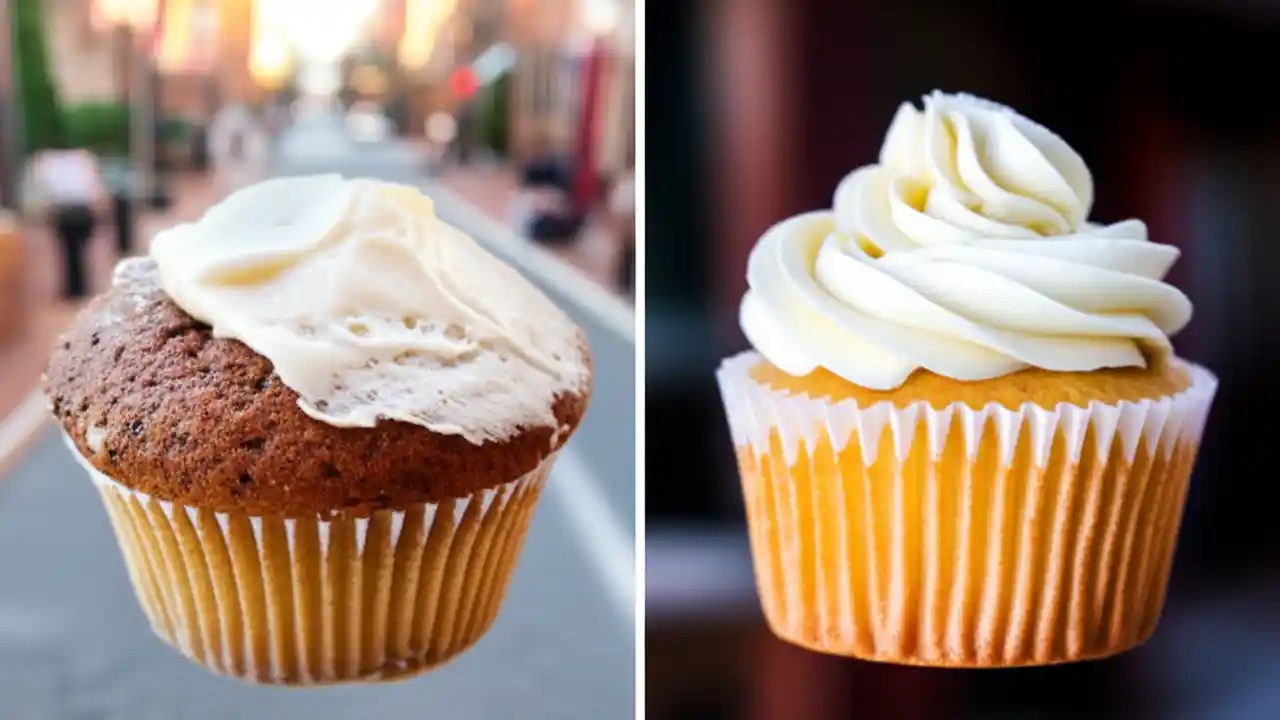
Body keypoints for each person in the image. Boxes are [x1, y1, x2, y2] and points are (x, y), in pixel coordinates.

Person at [30, 146, 106, 299]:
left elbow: (44, 189)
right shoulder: (83, 160)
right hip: (80, 210)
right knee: (80, 249)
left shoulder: (49, 163)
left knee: (68, 250)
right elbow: (94, 187)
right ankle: (80, 286)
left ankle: (72, 287)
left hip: (65, 211)